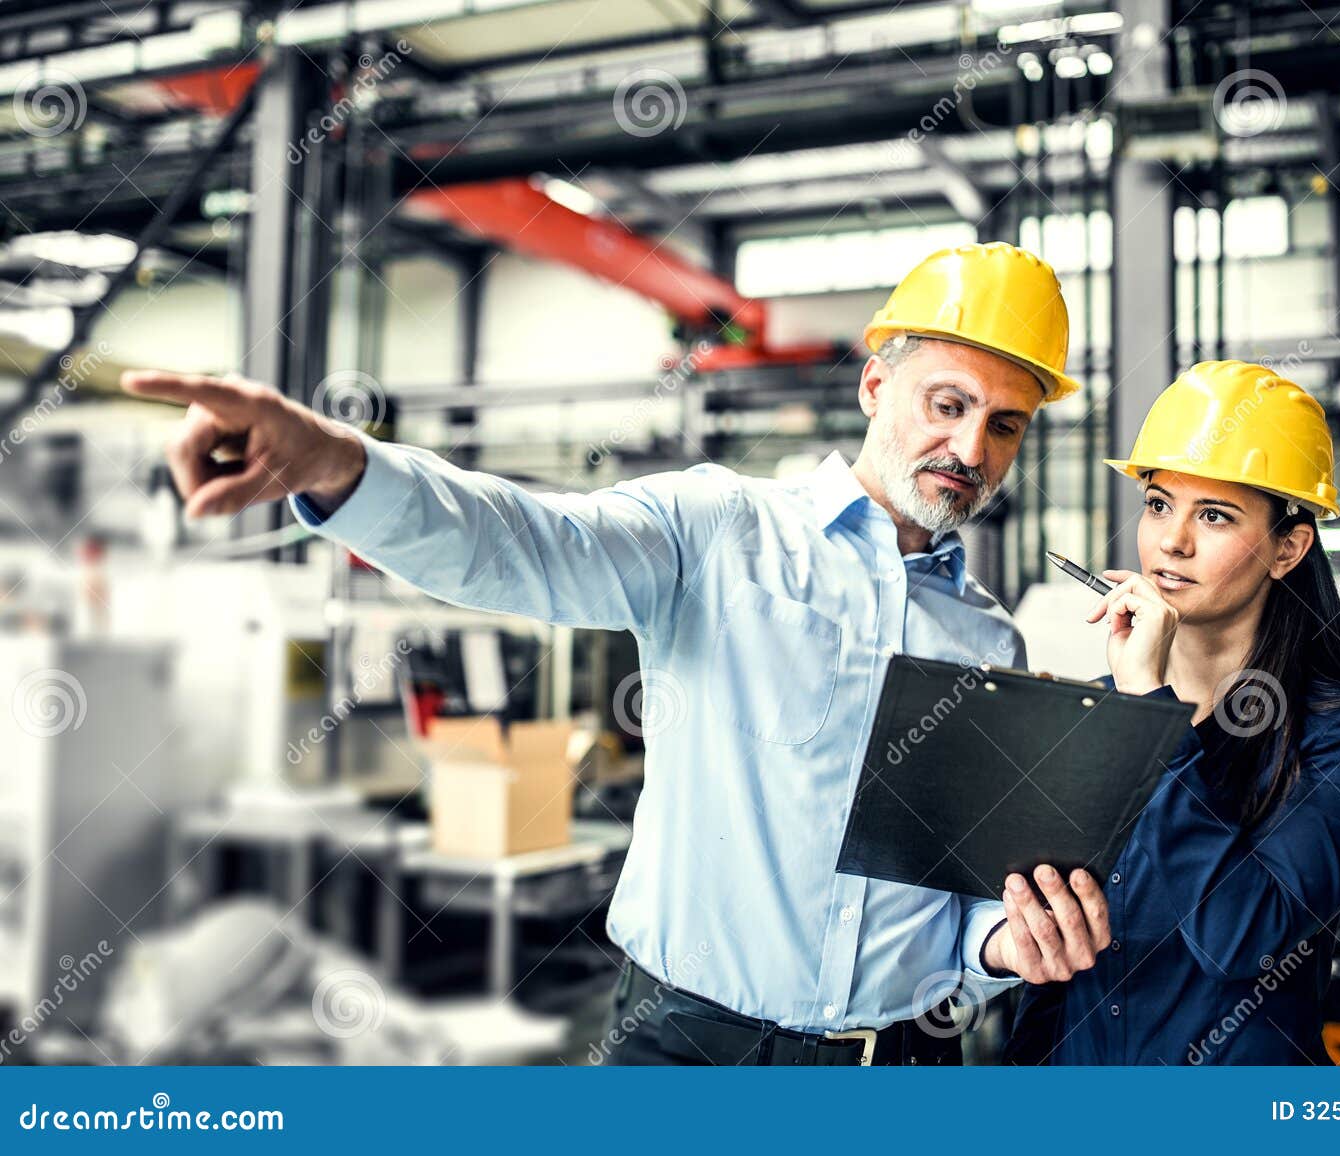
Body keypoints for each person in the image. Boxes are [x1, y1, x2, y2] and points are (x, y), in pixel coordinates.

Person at [122, 242, 1110, 1066]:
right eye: (947, 403)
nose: (971, 447)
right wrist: (339, 465)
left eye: (1004, 424)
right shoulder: (718, 527)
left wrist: (1000, 942)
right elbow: (521, 542)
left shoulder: (988, 637)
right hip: (686, 1050)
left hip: (901, 1063)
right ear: (874, 383)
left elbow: (958, 892)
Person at [1004, 360, 1340, 1066]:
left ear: (1289, 547)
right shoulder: (1098, 707)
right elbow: (1047, 962)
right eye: (1159, 504)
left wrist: (1147, 714)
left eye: (1214, 515)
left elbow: (1246, 937)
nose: (1172, 541)